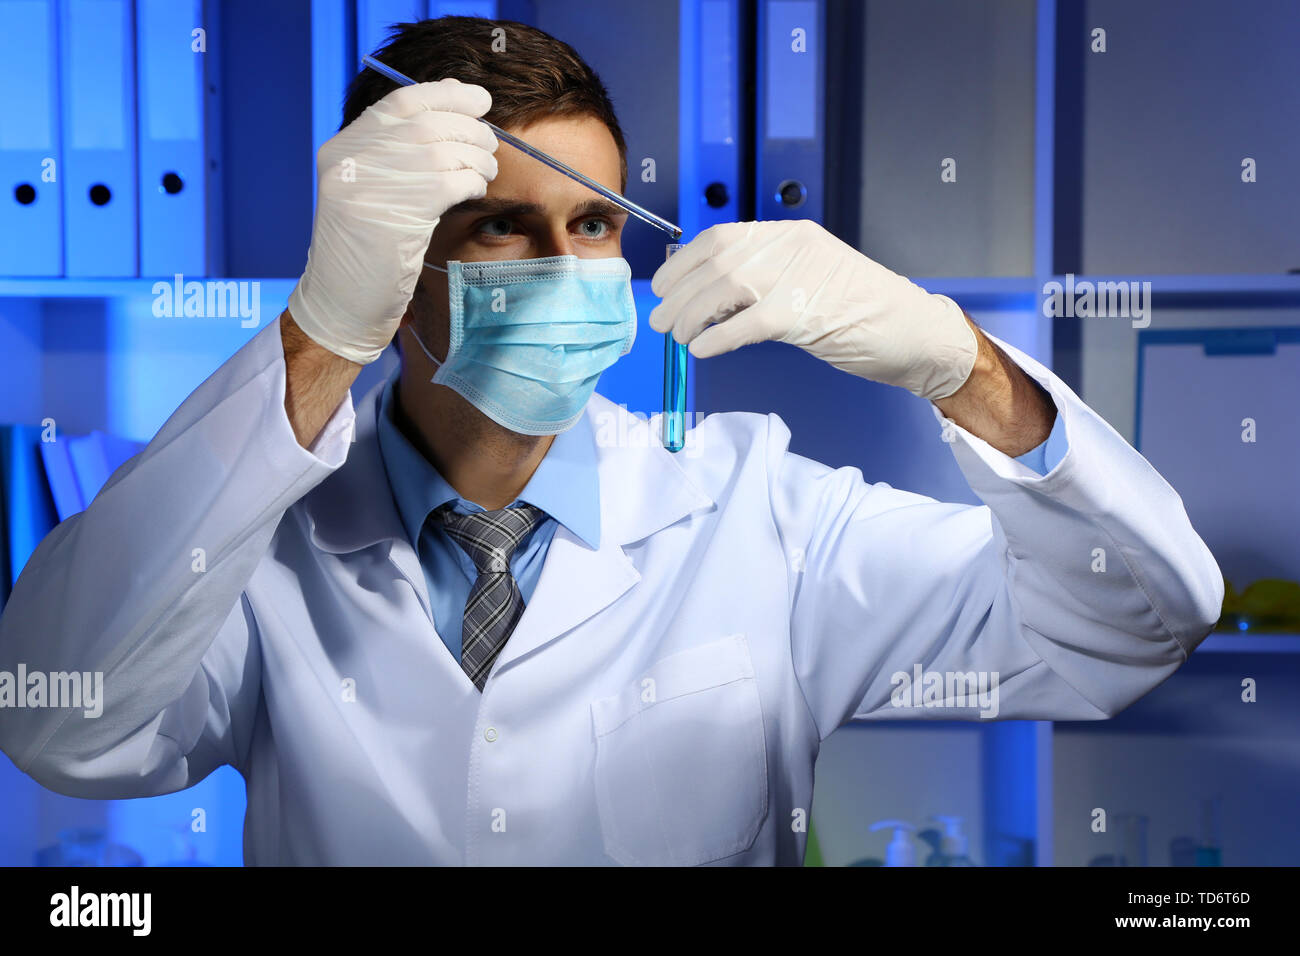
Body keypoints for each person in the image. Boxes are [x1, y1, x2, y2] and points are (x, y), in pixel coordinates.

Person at [0, 17, 1222, 866]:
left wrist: (962, 365)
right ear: (391, 256)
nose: (565, 270)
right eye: (497, 226)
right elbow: (60, 716)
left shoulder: (767, 520)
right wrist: (320, 334)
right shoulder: (254, 548)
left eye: (592, 223)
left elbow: (1139, 621)